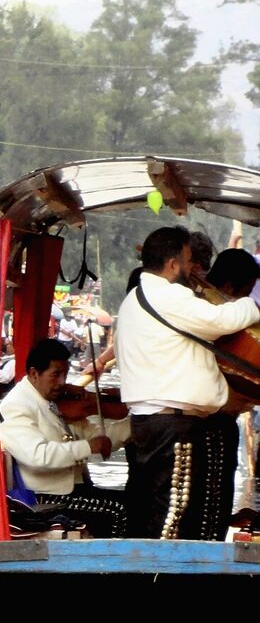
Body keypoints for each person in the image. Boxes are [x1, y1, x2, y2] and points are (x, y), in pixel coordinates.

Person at [115, 226, 259, 540]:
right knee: (172, 514)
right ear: (172, 264)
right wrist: (251, 305)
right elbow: (223, 320)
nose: (194, 268)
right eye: (189, 259)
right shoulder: (168, 295)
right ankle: (160, 578)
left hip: (150, 421)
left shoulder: (135, 298)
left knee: (156, 507)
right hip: (171, 425)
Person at [0, 338, 130, 538]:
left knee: (135, 502)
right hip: (45, 497)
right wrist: (88, 447)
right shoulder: (17, 404)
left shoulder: (52, 401)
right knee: (120, 510)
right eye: (56, 375)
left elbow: (94, 435)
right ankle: (117, 565)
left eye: (65, 374)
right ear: (34, 374)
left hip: (74, 489)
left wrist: (135, 426)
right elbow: (38, 456)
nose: (63, 382)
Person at [201, 248, 260, 539]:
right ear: (227, 288)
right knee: (209, 503)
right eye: (246, 293)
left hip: (216, 420)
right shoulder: (211, 316)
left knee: (214, 503)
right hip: (209, 422)